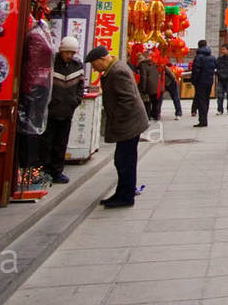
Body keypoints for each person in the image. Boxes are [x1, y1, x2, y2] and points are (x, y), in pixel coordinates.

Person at [86, 45, 149, 208]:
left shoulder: (117, 71)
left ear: (102, 59)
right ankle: (122, 193)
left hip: (129, 123)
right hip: (128, 122)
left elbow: (127, 100)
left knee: (124, 160)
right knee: (123, 160)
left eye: (94, 64)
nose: (94, 68)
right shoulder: (115, 68)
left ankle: (126, 196)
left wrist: (117, 117)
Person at [42, 36, 85, 184]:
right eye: (67, 52)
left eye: (72, 53)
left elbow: (80, 86)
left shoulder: (77, 65)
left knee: (61, 142)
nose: (69, 55)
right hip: (51, 111)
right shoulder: (51, 63)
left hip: (67, 110)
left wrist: (76, 100)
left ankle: (57, 171)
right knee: (47, 142)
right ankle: (45, 171)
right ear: (61, 50)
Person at [188, 40, 216, 127]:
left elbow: (196, 71)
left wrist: (193, 81)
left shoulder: (198, 57)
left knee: (201, 101)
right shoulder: (212, 57)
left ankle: (202, 120)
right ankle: (204, 119)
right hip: (209, 81)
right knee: (206, 100)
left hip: (200, 82)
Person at [136, 49, 162, 122]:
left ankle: (148, 116)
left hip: (149, 86)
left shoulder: (142, 65)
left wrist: (143, 89)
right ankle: (156, 115)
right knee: (156, 101)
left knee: (148, 102)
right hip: (158, 86)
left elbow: (143, 77)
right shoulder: (155, 63)